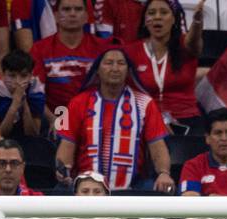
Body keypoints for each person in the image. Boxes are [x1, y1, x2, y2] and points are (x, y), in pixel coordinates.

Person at [55, 47, 174, 193]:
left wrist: (164, 173)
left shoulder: (145, 103)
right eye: (109, 63)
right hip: (87, 188)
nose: (115, 68)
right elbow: (67, 145)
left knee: (162, 190)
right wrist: (64, 171)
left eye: (121, 63)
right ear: (97, 70)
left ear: (128, 71)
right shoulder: (77, 102)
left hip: (132, 187)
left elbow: (158, 146)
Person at [126, 0, 203, 133]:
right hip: (146, 120)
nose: (157, 17)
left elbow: (195, 41)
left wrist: (197, 22)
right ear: (145, 21)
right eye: (151, 13)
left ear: (173, 19)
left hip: (187, 119)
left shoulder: (185, 45)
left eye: (164, 12)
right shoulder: (131, 52)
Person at [31, 0, 114, 114]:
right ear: (56, 16)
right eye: (66, 9)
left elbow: (112, 88)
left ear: (86, 17)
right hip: (55, 118)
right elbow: (36, 93)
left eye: (78, 9)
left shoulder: (102, 48)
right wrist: (54, 122)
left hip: (94, 116)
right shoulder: (39, 49)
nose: (72, 14)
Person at [0, 49, 46, 140]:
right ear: (3, 75)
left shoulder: (35, 88)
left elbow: (33, 134)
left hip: (26, 142)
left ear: (31, 75)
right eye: (12, 75)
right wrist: (15, 104)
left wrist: (23, 101)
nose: (17, 81)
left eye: (23, 75)